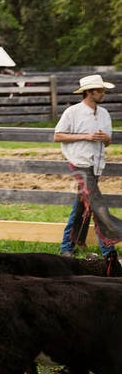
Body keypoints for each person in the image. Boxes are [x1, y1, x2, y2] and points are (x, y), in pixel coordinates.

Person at [54, 74, 118, 261]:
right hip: (80, 164)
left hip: (96, 165)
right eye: (100, 90)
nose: (103, 93)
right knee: (98, 207)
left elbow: (108, 141)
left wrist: (103, 138)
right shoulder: (72, 112)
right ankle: (109, 254)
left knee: (82, 207)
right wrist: (86, 137)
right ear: (89, 92)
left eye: (104, 90)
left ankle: (67, 247)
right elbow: (58, 136)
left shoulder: (104, 114)